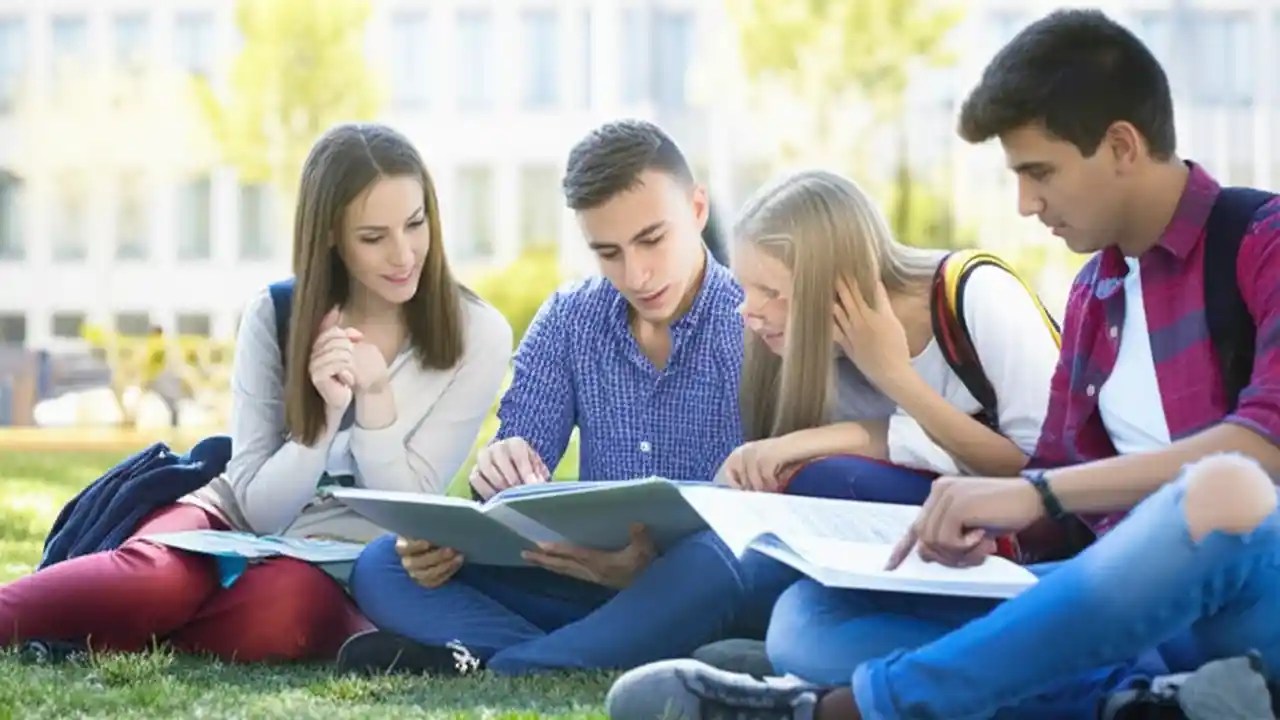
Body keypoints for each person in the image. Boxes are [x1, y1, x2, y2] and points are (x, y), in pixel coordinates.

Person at [604, 9, 1280, 719]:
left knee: (1219, 494)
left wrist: (1039, 495)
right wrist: (988, 532)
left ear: (1119, 146)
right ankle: (1153, 704)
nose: (1025, 204)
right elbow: (1062, 508)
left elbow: (1264, 450)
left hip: (1249, 587)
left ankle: (844, 708)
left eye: (1039, 172)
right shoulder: (1097, 292)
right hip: (1119, 605)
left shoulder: (1259, 243)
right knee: (808, 619)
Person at [0, 122, 512, 663]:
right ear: (332, 237)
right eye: (373, 237)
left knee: (280, 618)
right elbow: (258, 509)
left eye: (415, 224)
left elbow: (412, 512)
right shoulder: (275, 314)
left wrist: (376, 399)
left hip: (335, 560)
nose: (404, 254)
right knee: (158, 581)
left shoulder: (477, 335)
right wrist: (321, 419)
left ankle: (102, 627)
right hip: (228, 517)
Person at [341, 119, 753, 677]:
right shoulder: (568, 320)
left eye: (652, 239)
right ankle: (601, 651)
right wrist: (502, 470)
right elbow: (520, 466)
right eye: (608, 252)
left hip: (702, 583)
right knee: (383, 565)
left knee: (715, 564)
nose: (636, 273)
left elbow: (772, 521)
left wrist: (649, 573)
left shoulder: (758, 323)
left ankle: (502, 663)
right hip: (580, 580)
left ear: (697, 210)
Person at [720, 169, 1059, 504]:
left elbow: (1043, 474)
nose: (747, 311)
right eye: (744, 287)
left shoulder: (978, 293)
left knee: (827, 478)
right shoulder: (795, 345)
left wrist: (894, 376)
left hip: (1032, 533)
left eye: (769, 290)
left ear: (836, 281)